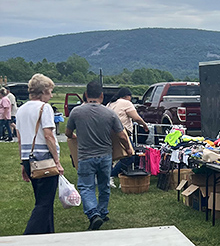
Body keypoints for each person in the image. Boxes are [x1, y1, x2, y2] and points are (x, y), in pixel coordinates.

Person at [65, 81, 133, 230]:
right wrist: (128, 148)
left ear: (86, 95)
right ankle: (102, 212)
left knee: (86, 187)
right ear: (102, 96)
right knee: (104, 185)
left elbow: (68, 133)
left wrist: (75, 136)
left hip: (85, 156)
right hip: (105, 156)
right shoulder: (109, 113)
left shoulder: (76, 112)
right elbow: (121, 135)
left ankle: (93, 213)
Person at [15, 73, 64, 234]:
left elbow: (20, 138)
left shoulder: (21, 110)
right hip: (45, 159)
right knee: (44, 202)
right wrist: (57, 161)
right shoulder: (45, 108)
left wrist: (23, 162)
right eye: (49, 91)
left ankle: (47, 234)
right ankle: (29, 235)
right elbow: (48, 135)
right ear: (43, 92)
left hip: (29, 159)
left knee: (42, 200)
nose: (51, 95)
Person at [107, 87, 149, 186]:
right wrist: (144, 124)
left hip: (108, 133)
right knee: (129, 155)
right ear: (127, 96)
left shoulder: (110, 104)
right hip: (122, 133)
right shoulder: (126, 103)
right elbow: (136, 117)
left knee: (111, 156)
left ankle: (110, 176)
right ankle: (112, 174)